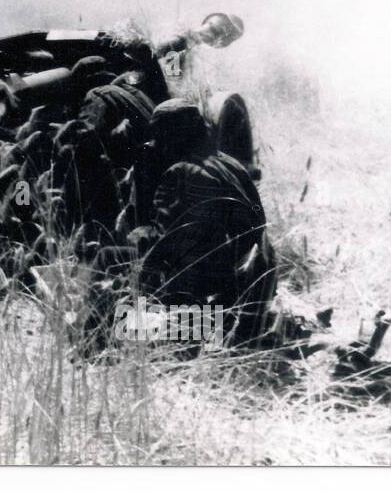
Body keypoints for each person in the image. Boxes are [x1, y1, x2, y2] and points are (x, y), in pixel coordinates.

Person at [74, 99, 274, 348]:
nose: (156, 145)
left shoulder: (181, 172)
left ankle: (90, 339)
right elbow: (256, 215)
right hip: (245, 276)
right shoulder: (231, 165)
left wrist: (138, 233)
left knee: (108, 257)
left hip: (207, 282)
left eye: (160, 136)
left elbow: (165, 243)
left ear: (172, 137)